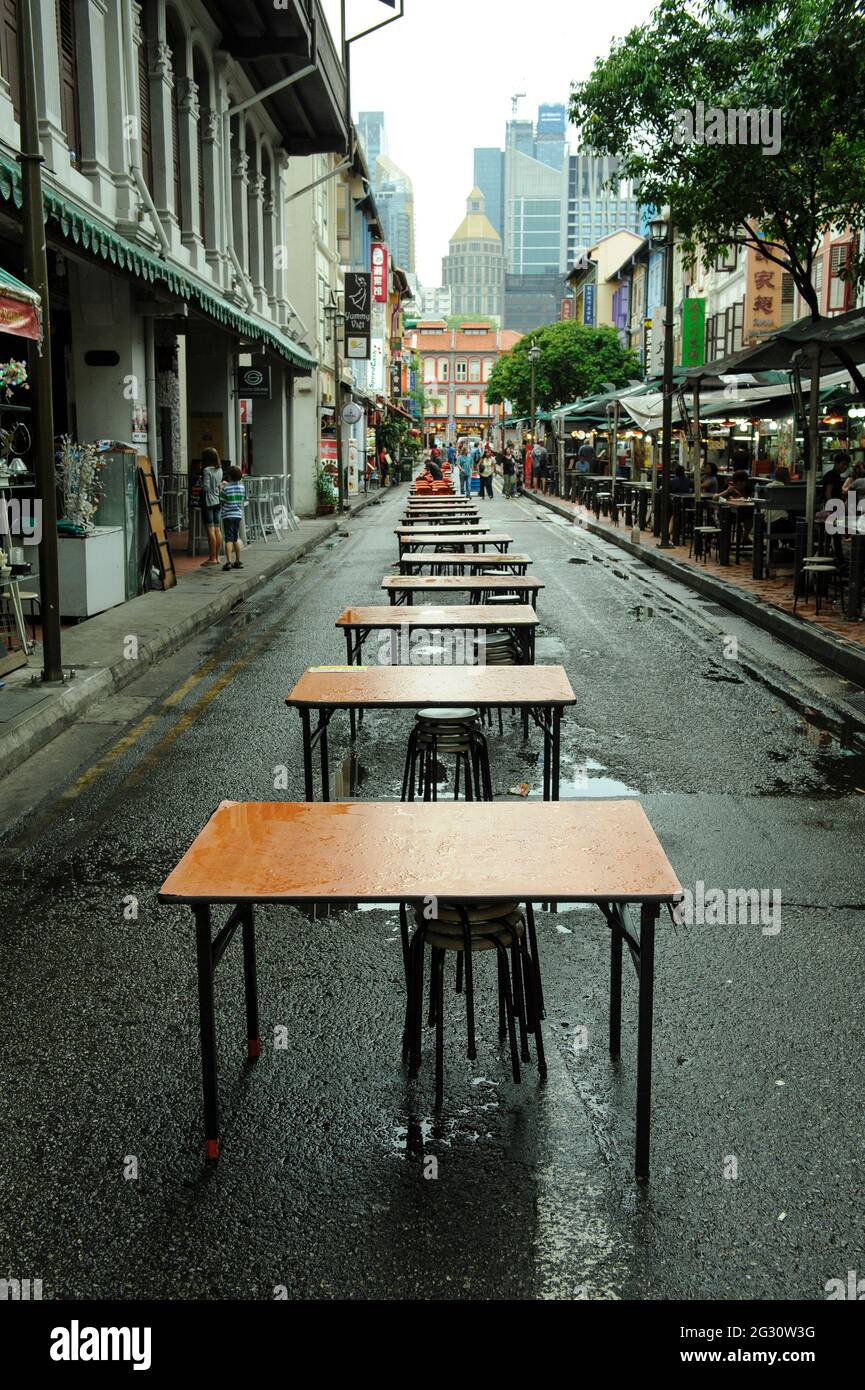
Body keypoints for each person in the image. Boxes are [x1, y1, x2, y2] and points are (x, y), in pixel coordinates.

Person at [199, 447, 224, 567]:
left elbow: (206, 487)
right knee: (217, 529)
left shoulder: (206, 470)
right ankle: (218, 557)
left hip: (208, 502)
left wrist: (200, 483)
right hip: (217, 501)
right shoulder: (220, 469)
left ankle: (212, 557)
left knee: (210, 530)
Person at [220, 466, 245, 571]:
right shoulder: (242, 488)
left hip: (227, 515)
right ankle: (238, 561)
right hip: (238, 515)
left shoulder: (226, 488)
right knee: (236, 538)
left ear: (229, 477)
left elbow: (222, 499)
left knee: (228, 539)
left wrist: (221, 488)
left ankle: (228, 562)